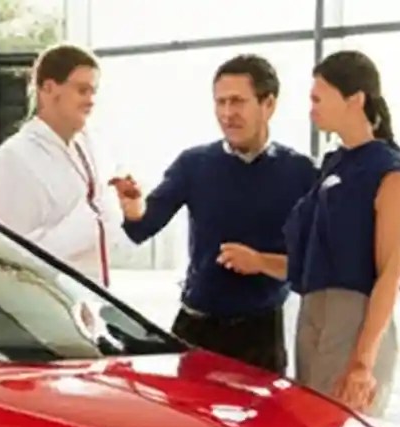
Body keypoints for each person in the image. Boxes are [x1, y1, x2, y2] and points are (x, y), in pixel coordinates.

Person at [108, 54, 318, 375]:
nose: (227, 113)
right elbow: (142, 228)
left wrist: (260, 262)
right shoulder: (194, 164)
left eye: (237, 102)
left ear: (269, 104)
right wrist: (134, 209)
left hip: (260, 336)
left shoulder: (301, 173)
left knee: (261, 425)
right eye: (220, 102)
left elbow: (315, 265)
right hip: (195, 330)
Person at [277, 50, 400, 416]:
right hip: (313, 313)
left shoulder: (389, 172)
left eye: (318, 98)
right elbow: (315, 254)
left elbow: (391, 272)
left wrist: (362, 363)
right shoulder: (333, 165)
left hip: (354, 320)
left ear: (355, 99)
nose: (311, 108)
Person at [0, 43, 124, 288]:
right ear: (48, 88)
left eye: (94, 92)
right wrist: (91, 218)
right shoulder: (10, 160)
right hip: (43, 310)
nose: (91, 101)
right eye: (82, 90)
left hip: (95, 303)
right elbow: (10, 259)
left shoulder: (95, 149)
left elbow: (111, 233)